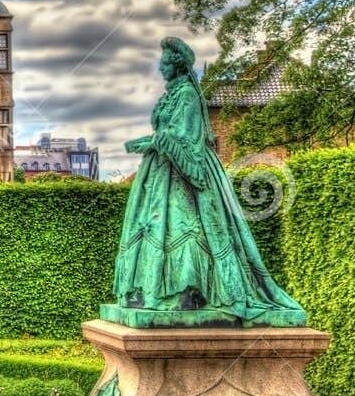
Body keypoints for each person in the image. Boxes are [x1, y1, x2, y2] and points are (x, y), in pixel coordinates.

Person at [108, 36, 305, 327]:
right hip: (161, 172)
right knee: (154, 225)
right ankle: (155, 292)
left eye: (164, 64)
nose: (160, 68)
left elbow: (184, 138)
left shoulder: (187, 94)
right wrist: (148, 142)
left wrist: (152, 141)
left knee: (187, 226)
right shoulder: (171, 94)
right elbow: (166, 132)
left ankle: (189, 292)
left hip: (185, 173)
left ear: (176, 66)